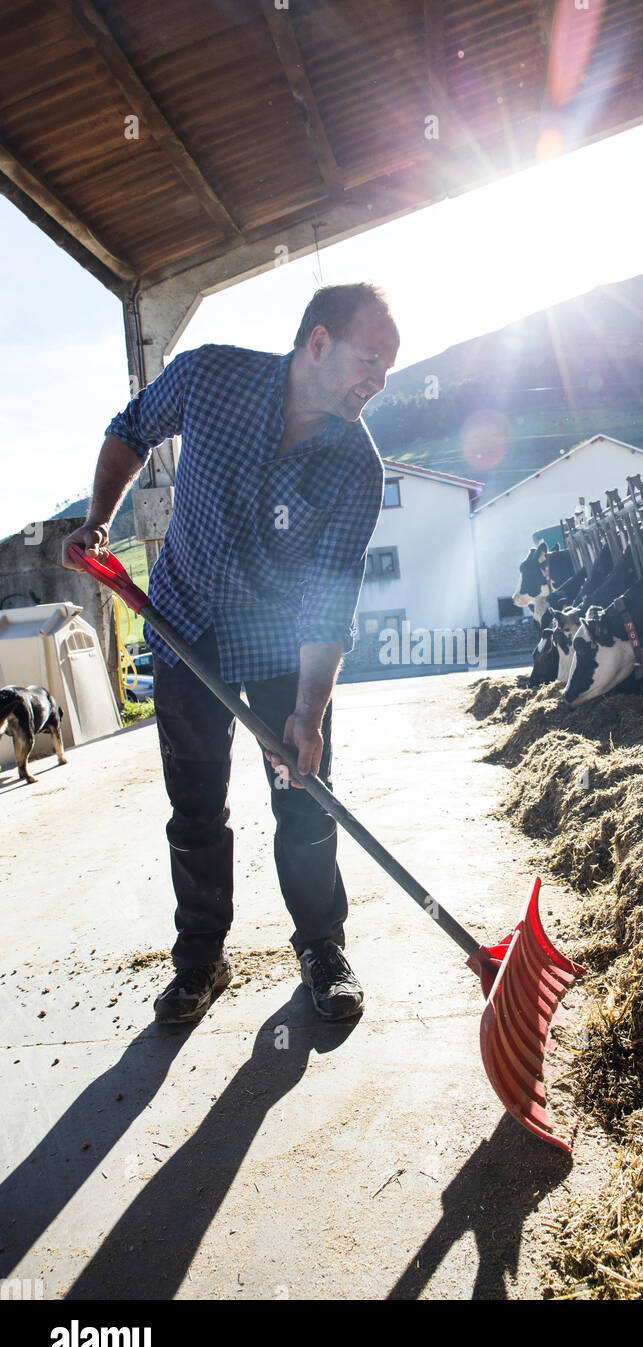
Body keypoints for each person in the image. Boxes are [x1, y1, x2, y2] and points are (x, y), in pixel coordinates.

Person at [63, 283, 400, 1025]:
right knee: (195, 807)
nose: (377, 383)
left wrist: (309, 711)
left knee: (303, 793)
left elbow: (330, 601)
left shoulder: (355, 467)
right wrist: (97, 522)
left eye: (387, 372)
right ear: (317, 342)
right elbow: (130, 429)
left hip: (283, 642)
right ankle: (202, 959)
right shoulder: (210, 375)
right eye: (369, 361)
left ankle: (321, 947)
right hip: (184, 621)